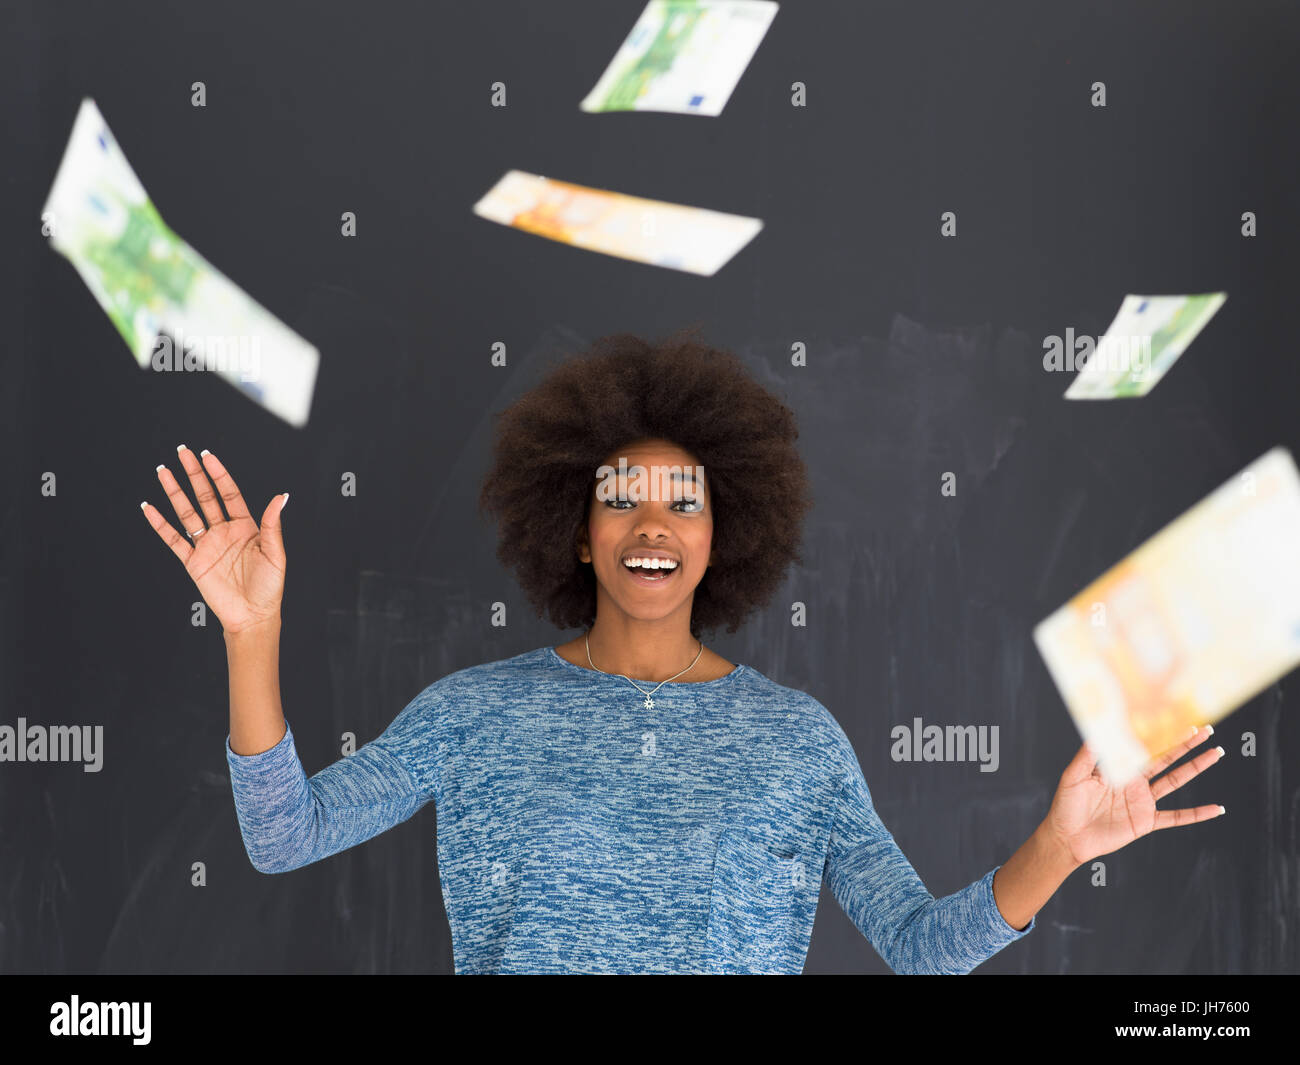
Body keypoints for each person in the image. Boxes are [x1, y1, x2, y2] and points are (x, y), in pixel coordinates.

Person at [140, 328, 1225, 974]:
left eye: (682, 503)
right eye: (620, 500)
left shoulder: (799, 743)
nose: (651, 525)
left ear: (723, 532)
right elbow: (285, 838)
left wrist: (1058, 848)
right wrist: (253, 635)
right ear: (577, 530)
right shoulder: (470, 715)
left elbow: (916, 946)